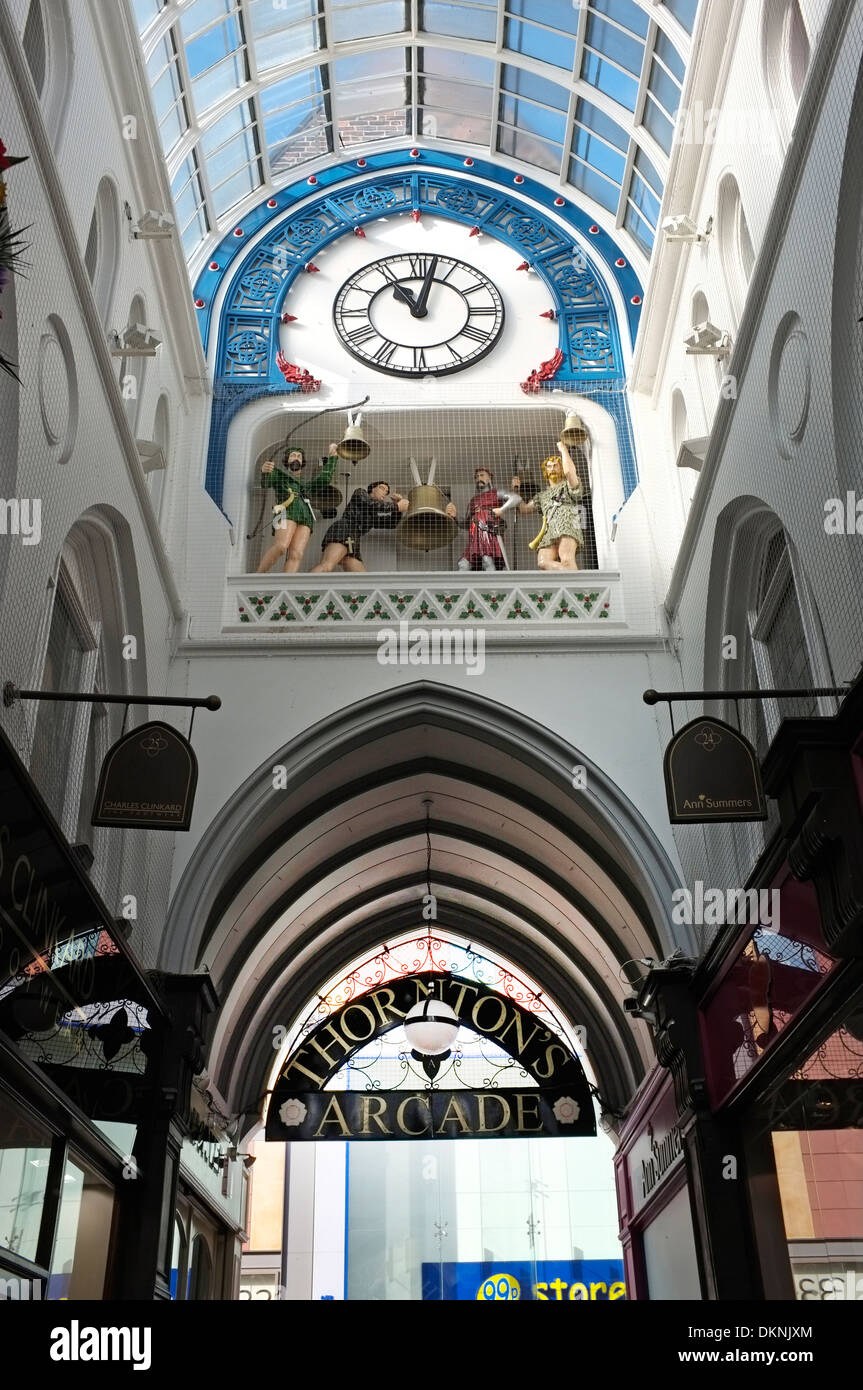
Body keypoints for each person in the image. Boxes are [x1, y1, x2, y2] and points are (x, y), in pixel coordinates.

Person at [256, 443, 339, 574]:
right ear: (287, 460)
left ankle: (286, 583)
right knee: (281, 546)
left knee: (296, 554)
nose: (296, 458)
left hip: (305, 514)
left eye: (299, 456)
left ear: (302, 461)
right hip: (284, 511)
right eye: (293, 455)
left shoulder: (306, 484)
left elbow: (324, 478)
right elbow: (266, 483)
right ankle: (258, 575)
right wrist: (265, 472)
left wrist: (333, 457)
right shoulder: (280, 476)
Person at [502, 441, 584, 571]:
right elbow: (523, 508)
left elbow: (570, 473)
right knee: (542, 561)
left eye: (556, 466)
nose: (552, 468)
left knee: (567, 560)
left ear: (561, 468)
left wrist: (563, 449)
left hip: (567, 524)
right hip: (549, 530)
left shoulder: (568, 485)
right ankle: (567, 573)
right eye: (549, 467)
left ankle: (570, 577)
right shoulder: (542, 495)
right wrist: (515, 490)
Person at [310, 481, 409, 573]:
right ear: (372, 488)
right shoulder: (360, 493)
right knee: (327, 566)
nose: (385, 492)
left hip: (354, 539)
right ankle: (297, 589)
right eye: (382, 488)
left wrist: (398, 510)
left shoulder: (373, 515)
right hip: (344, 530)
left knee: (361, 577)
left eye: (387, 492)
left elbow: (391, 523)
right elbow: (371, 504)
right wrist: (396, 506)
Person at [456, 467, 522, 572]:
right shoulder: (473, 501)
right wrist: (454, 515)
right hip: (474, 537)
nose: (479, 478)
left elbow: (516, 498)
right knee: (463, 563)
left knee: (487, 560)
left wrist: (502, 509)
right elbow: (466, 524)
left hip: (488, 533)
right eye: (476, 477)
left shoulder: (496, 493)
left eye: (482, 475)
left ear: (489, 477)